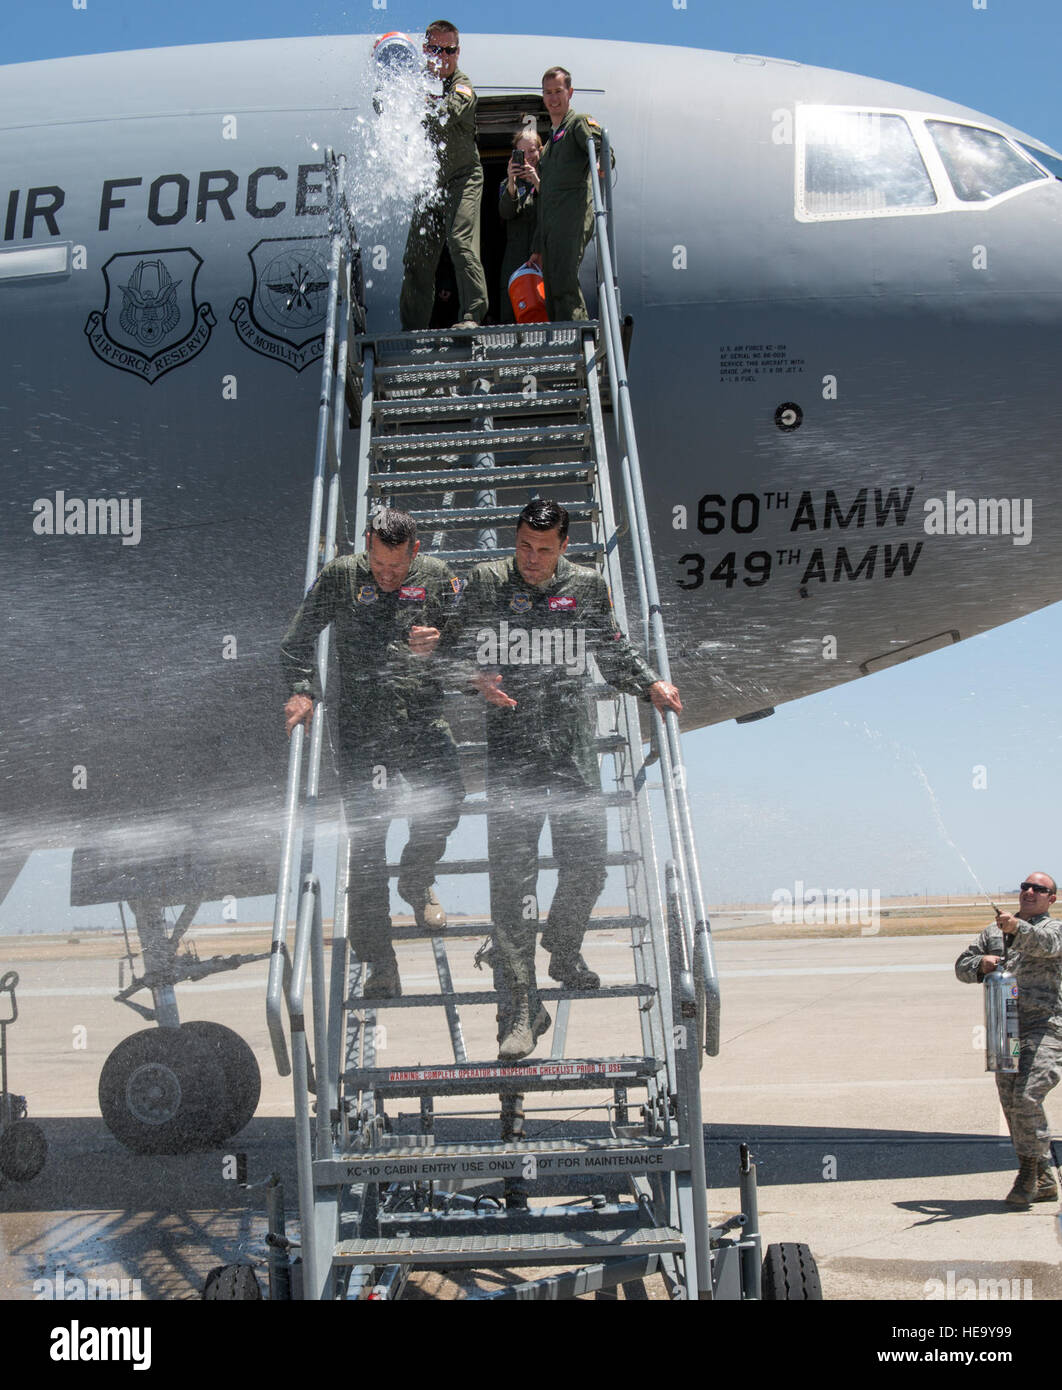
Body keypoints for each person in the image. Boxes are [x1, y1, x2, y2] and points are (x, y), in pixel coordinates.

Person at [439, 499, 682, 1060]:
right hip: (513, 758)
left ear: (564, 547)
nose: (531, 558)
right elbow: (448, 652)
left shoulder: (588, 586)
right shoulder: (484, 583)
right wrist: (475, 679)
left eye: (544, 549)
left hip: (572, 752)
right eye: (524, 545)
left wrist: (650, 685)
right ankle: (519, 1013)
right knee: (512, 887)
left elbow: (613, 652)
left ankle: (564, 945)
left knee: (590, 865)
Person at [280, 508, 465, 999]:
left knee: (447, 802)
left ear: (415, 553)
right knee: (366, 848)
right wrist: (303, 690)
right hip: (364, 731)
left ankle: (416, 876)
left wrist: (443, 641)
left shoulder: (438, 578)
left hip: (422, 720)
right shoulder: (341, 577)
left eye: (396, 568)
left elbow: (469, 638)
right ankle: (380, 964)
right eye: (378, 565)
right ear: (367, 545)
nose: (386, 576)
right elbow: (295, 642)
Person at [955, 872, 1062, 1206]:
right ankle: (1043, 1176)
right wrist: (982, 964)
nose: (1029, 892)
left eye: (1039, 889)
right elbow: (961, 967)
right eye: (1025, 887)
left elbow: (1046, 946)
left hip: (1045, 1027)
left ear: (1051, 899)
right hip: (1005, 1026)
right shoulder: (993, 932)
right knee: (1011, 1103)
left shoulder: (1053, 929)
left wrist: (1017, 929)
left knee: (1028, 1095)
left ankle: (1028, 1173)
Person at [399, 21, 488, 331]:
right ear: (426, 50)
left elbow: (447, 114)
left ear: (458, 51)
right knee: (417, 257)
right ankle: (412, 328)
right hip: (431, 183)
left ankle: (472, 315)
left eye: (450, 50)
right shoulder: (417, 83)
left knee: (460, 241)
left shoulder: (462, 86)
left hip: (463, 178)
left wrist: (416, 105)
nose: (443, 56)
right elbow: (386, 107)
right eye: (436, 49)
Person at [528, 66, 608, 322]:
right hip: (552, 225)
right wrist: (538, 245)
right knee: (551, 288)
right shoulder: (551, 144)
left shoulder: (577, 124)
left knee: (563, 281)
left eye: (558, 91)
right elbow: (546, 200)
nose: (553, 98)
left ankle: (578, 331)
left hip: (572, 218)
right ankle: (562, 334)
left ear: (570, 92)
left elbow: (600, 148)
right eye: (548, 93)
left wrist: (600, 163)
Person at [498, 124, 543, 323]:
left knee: (541, 308)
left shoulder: (549, 180)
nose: (528, 156)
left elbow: (554, 207)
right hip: (515, 258)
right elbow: (506, 212)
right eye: (522, 152)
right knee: (512, 311)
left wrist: (536, 181)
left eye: (532, 150)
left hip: (541, 255)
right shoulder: (508, 185)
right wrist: (511, 181)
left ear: (540, 151)